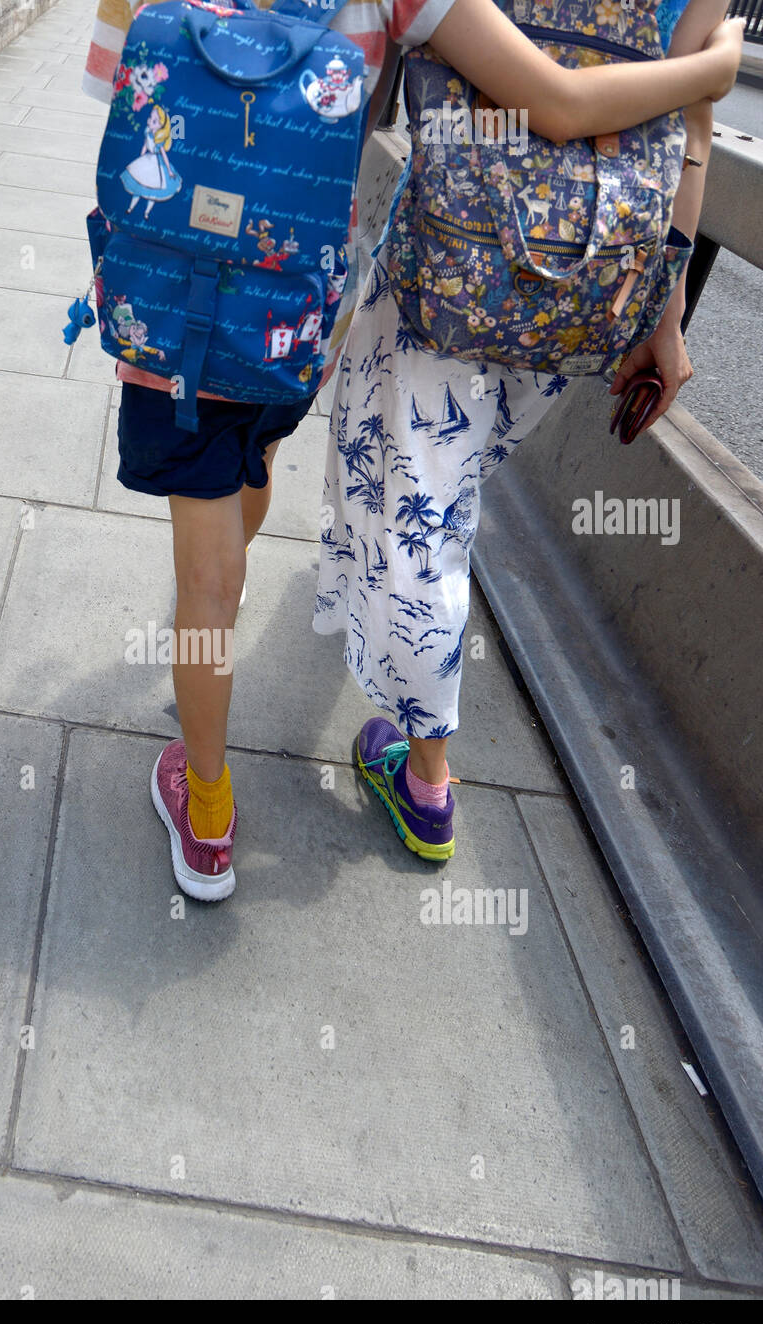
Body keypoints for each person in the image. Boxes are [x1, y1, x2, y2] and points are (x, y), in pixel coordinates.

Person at [83, 0, 743, 897]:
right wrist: (707, 82)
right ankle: (378, 744)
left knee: (221, 579)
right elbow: (595, 112)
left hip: (180, 309)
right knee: (312, 471)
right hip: (309, 319)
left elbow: (113, 99)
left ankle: (208, 815)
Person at [314, 0, 742, 862]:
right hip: (585, 287)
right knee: (446, 489)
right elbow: (691, 138)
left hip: (453, 260)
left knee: (423, 507)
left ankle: (426, 778)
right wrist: (665, 310)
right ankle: (394, 649)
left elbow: (549, 100)